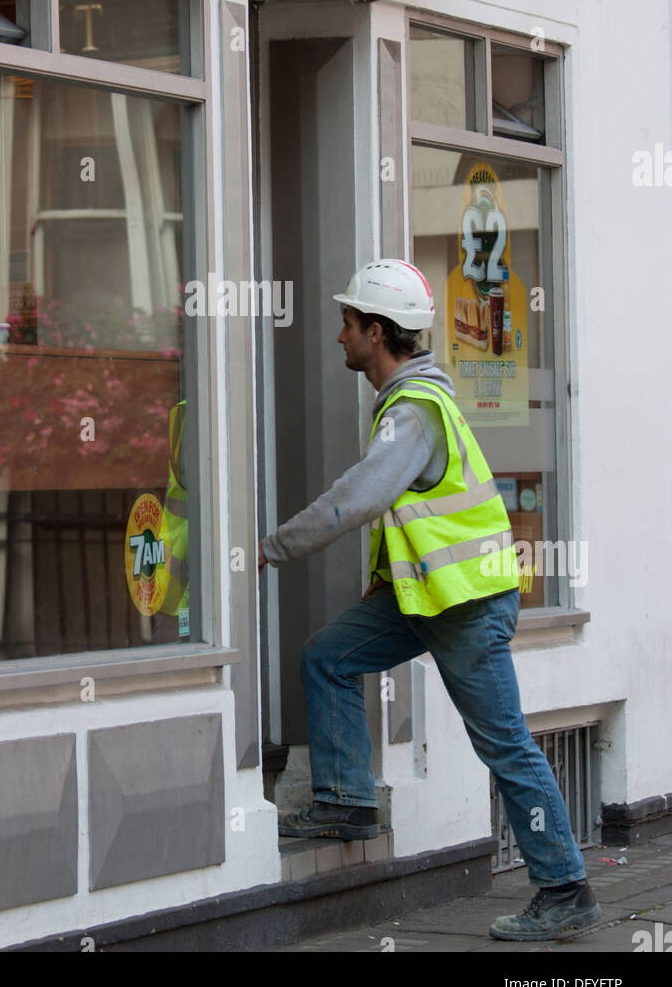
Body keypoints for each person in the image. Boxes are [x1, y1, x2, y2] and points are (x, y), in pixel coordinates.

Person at [257, 259, 601, 942]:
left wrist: (270, 548)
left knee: (506, 747)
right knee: (328, 657)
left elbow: (360, 497)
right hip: (425, 598)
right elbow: (419, 511)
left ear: (377, 332)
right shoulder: (414, 401)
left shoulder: (413, 410)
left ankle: (565, 888)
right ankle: (347, 802)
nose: (339, 336)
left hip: (465, 606)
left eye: (349, 324)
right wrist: (385, 578)